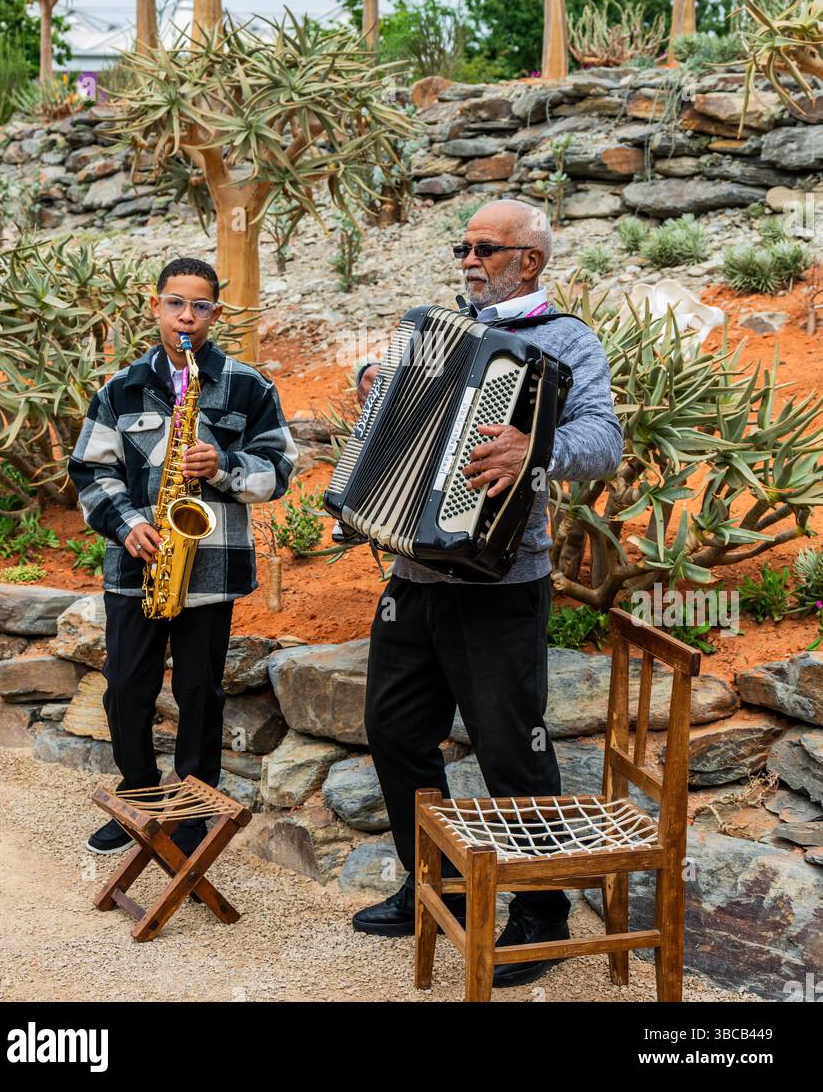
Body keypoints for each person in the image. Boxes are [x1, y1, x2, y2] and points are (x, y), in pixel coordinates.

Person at [351, 200, 624, 988]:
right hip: (412, 572)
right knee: (395, 732)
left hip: (502, 582)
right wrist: (370, 378)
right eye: (463, 246)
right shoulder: (433, 328)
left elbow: (603, 442)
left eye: (485, 247)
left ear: (528, 261)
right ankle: (435, 884)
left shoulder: (566, 339)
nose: (468, 258)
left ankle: (542, 913)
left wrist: (533, 449)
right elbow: (382, 397)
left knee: (510, 745)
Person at [69, 257, 297, 858]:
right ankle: (139, 797)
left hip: (210, 566)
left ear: (215, 314)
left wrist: (223, 465)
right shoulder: (118, 390)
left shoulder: (250, 387)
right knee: (125, 690)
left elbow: (278, 472)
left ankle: (195, 804)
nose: (186, 317)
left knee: (200, 692)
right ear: (156, 307)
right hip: (135, 564)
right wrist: (128, 525)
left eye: (199, 306)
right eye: (175, 304)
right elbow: (90, 470)